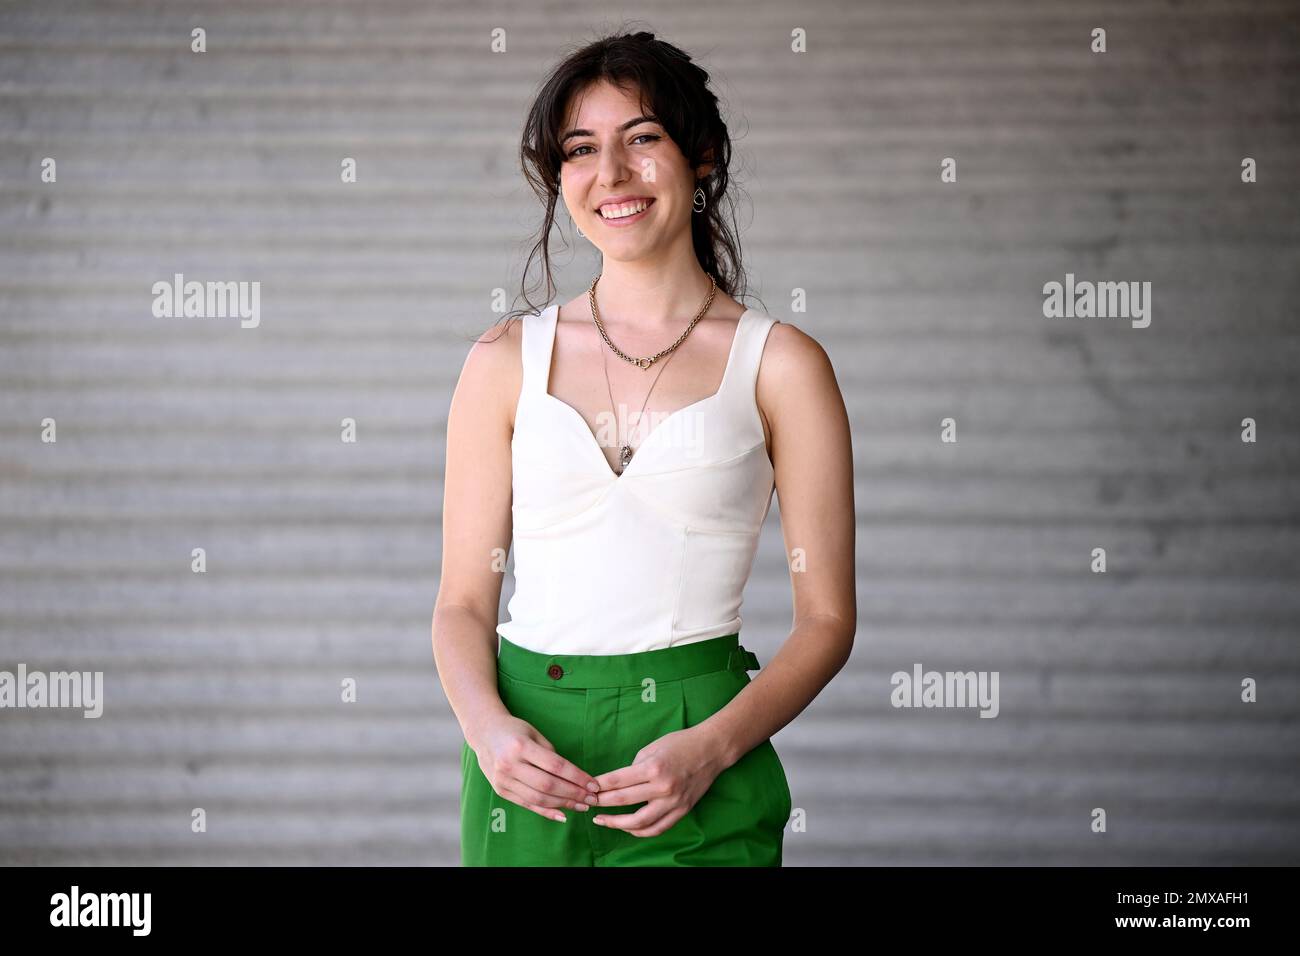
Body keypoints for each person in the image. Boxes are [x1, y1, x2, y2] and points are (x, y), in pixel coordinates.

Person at [432, 28, 856, 866]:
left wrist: (712, 746)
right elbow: (462, 607)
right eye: (581, 150)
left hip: (697, 743)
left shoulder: (782, 364)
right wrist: (488, 732)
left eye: (643, 139)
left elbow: (828, 620)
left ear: (701, 156)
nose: (612, 176)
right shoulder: (501, 361)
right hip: (527, 753)